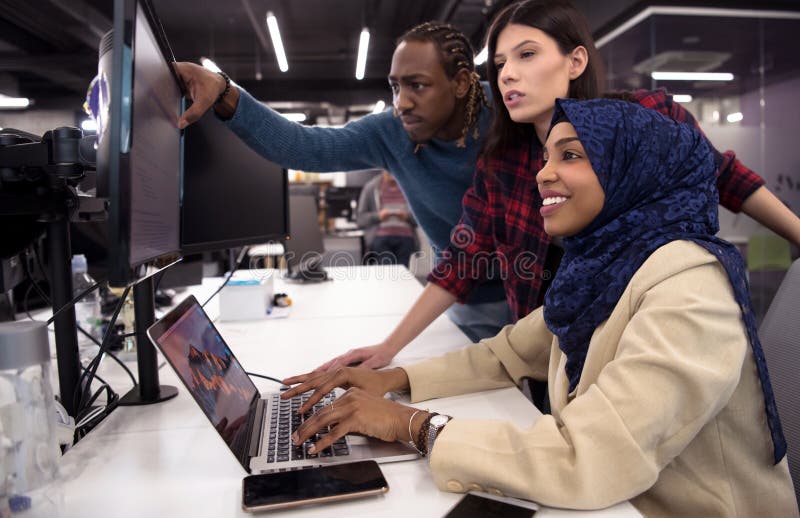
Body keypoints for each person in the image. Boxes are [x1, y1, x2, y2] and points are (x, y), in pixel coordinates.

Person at [280, 98, 799, 516]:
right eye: (547, 157)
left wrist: (408, 424)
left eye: (570, 155)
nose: (543, 175)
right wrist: (390, 380)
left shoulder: (690, 288)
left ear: (630, 170)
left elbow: (590, 458)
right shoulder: (604, 266)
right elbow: (502, 355)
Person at [317, 0, 800, 371]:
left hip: (650, 346)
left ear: (575, 62)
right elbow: (461, 262)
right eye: (501, 63)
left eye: (527, 54)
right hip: (551, 358)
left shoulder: (645, 119)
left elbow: (727, 178)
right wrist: (389, 348)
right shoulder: (502, 165)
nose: (508, 74)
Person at [174, 22, 513, 344]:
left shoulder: (510, 110)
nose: (402, 103)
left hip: (539, 293)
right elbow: (306, 147)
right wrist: (224, 91)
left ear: (462, 83)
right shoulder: (392, 132)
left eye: (418, 85)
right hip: (467, 300)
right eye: (396, 87)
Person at [357, 171, 418, 267]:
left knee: (403, 276)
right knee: (386, 273)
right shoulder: (371, 188)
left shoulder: (410, 187)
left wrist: (407, 216)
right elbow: (361, 219)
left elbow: (420, 220)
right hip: (381, 238)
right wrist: (378, 216)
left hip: (406, 238)